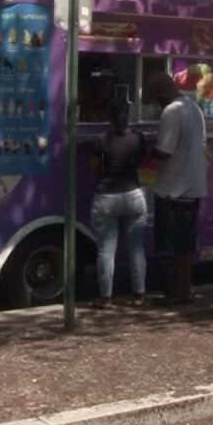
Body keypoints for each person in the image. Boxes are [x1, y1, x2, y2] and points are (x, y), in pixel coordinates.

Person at [144, 71, 207, 305]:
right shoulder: (194, 108)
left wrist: (147, 147)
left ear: (161, 92)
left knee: (172, 246)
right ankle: (186, 288)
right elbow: (201, 144)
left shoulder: (171, 112)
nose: (155, 103)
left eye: (154, 97)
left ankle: (176, 291)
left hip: (173, 188)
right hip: (194, 185)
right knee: (186, 246)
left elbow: (165, 152)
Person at [89, 98, 149, 308]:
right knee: (136, 249)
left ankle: (106, 297)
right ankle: (139, 294)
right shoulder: (138, 138)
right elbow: (141, 161)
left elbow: (94, 170)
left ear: (109, 117)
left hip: (107, 198)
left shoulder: (101, 139)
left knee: (106, 250)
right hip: (134, 195)